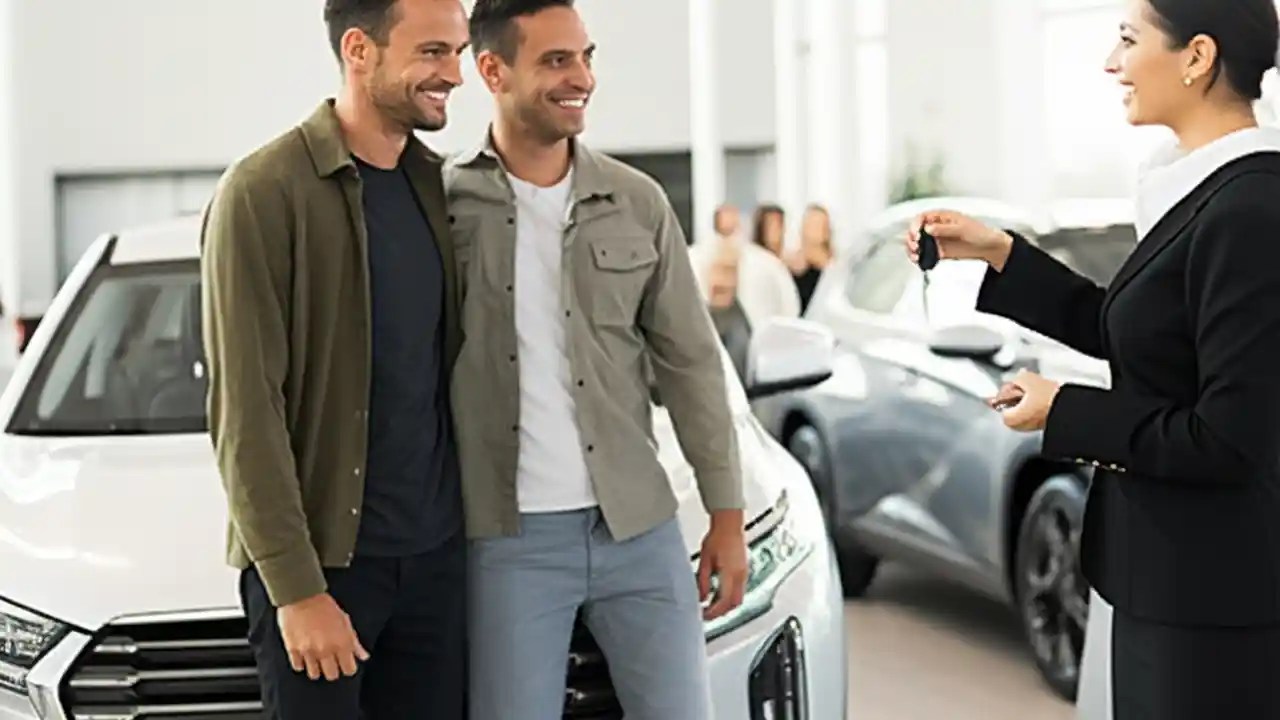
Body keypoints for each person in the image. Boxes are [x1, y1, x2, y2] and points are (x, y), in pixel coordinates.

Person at [906, 1, 1280, 717]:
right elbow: (1144, 334)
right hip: (1169, 586)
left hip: (1214, 605)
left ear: (1197, 58)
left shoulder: (1250, 210)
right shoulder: (1197, 190)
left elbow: (1229, 440)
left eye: (1129, 40)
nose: (1112, 63)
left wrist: (1066, 411)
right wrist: (999, 252)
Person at [442, 1, 749, 718]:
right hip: (507, 542)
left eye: (585, 57)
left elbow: (692, 366)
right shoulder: (443, 204)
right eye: (556, 61)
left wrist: (725, 516)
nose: (581, 76)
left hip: (638, 528)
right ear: (493, 70)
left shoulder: (637, 202)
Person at [200, 0, 470, 717]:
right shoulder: (263, 192)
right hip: (327, 573)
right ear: (359, 49)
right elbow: (245, 413)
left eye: (459, 52)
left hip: (437, 564)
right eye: (434, 52)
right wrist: (296, 589)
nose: (455, 74)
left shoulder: (437, 189)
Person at [689, 202, 801, 327]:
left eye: (728, 272)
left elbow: (788, 309)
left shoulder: (767, 265)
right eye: (718, 271)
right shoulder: (693, 259)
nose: (721, 281)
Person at [789, 203, 835, 312]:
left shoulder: (833, 272)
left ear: (826, 232)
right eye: (808, 224)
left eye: (816, 225)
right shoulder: (791, 267)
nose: (810, 230)